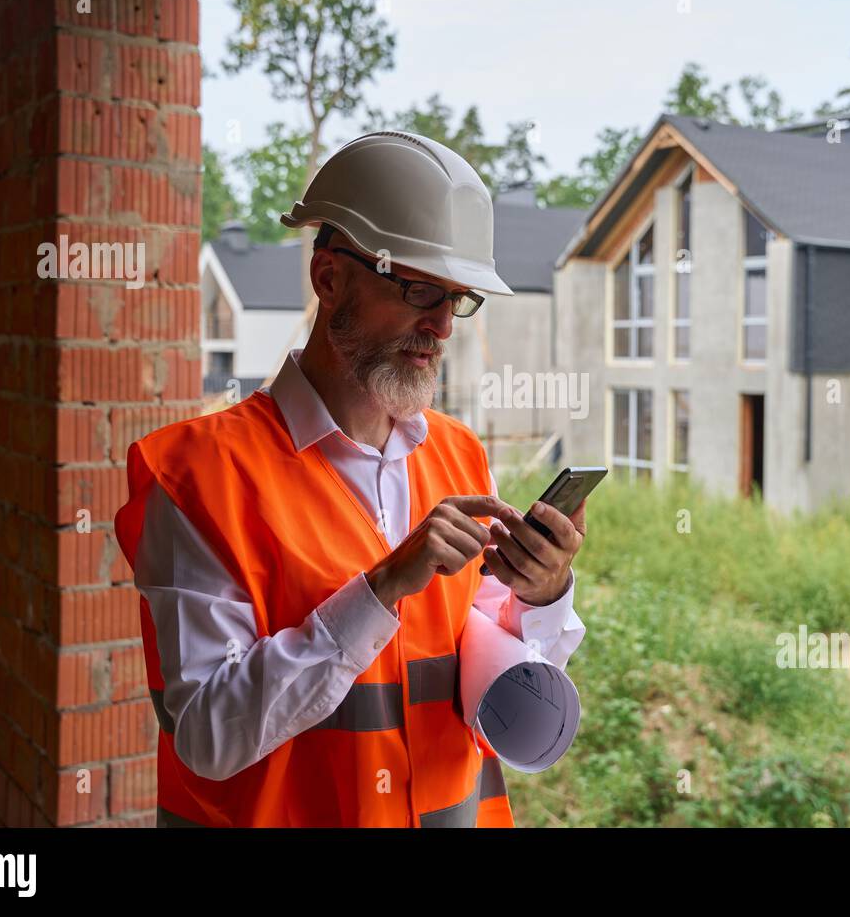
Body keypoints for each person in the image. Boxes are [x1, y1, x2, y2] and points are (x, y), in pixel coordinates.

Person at [114, 131, 587, 827]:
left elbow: (489, 668)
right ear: (330, 277)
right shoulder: (196, 475)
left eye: (457, 299)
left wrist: (541, 596)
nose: (442, 326)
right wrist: (381, 589)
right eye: (421, 288)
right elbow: (209, 735)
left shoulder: (459, 456)